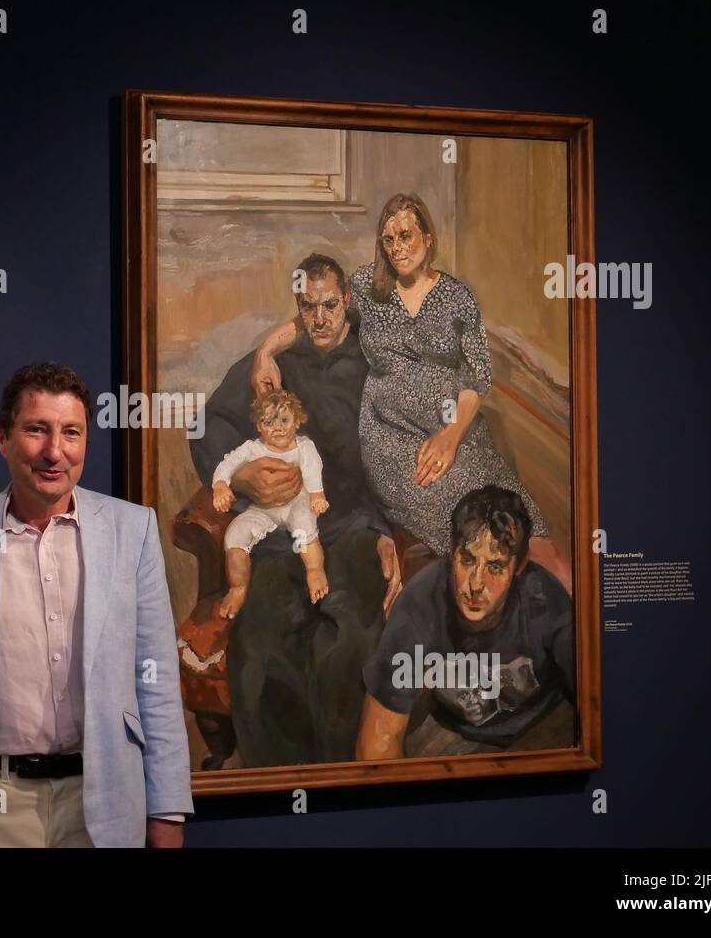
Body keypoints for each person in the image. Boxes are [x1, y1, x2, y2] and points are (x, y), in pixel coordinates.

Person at [0, 362, 194, 847]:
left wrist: (167, 811)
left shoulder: (132, 530)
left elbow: (156, 681)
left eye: (71, 432)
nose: (54, 451)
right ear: (3, 438)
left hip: (105, 803)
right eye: (36, 430)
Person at [252, 193, 558, 569]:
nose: (397, 248)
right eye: (388, 239)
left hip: (456, 432)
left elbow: (478, 375)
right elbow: (315, 316)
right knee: (479, 532)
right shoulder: (367, 287)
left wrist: (450, 436)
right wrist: (265, 351)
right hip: (392, 439)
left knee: (529, 532)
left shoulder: (458, 298)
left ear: (428, 237)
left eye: (406, 235)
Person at [189, 254, 401, 768]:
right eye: (309, 308)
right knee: (261, 639)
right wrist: (240, 477)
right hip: (280, 529)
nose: (321, 318)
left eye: (330, 305)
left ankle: (338, 782)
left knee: (350, 638)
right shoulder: (273, 365)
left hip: (352, 525)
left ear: (347, 301)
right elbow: (204, 429)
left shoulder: (373, 357)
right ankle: (278, 784)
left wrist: (384, 530)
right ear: (297, 309)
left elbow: (399, 455)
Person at [356, 486, 574, 759]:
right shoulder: (418, 606)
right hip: (458, 733)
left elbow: (595, 703)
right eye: (468, 560)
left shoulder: (545, 600)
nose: (475, 584)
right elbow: (379, 738)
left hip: (545, 721)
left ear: (518, 567)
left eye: (495, 567)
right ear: (451, 552)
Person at [212, 389, 329, 616]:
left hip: (297, 502)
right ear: (258, 426)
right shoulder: (252, 448)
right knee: (235, 535)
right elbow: (228, 463)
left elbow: (313, 468)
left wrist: (316, 494)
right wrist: (220, 486)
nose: (278, 427)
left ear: (297, 421)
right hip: (263, 509)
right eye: (269, 421)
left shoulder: (303, 447)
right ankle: (238, 587)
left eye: (284, 420)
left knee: (304, 524)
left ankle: (315, 570)